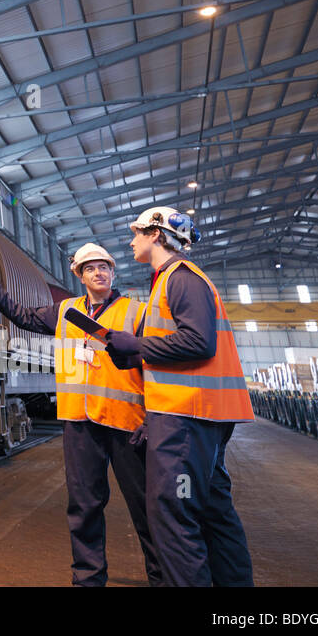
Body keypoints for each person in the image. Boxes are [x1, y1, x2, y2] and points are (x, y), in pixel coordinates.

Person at [0, 245, 162, 587]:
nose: (98, 273)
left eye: (104, 267)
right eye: (90, 269)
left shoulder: (137, 312)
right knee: (84, 506)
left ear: (113, 273)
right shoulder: (65, 312)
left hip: (126, 423)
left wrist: (152, 418)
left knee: (146, 507)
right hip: (79, 424)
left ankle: (162, 578)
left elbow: (155, 367)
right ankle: (88, 578)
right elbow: (23, 316)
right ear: (80, 276)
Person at [102, 205, 254, 587]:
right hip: (193, 420)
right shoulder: (169, 281)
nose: (131, 239)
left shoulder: (180, 278)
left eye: (137, 232)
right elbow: (182, 346)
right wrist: (136, 354)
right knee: (213, 511)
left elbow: (199, 342)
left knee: (173, 513)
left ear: (156, 235)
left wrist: (137, 344)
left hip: (187, 420)